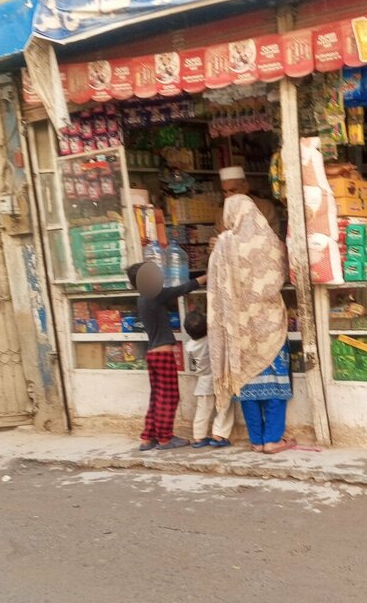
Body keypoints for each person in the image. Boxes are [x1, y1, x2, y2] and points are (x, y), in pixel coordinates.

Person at [208, 194, 294, 454]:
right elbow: (283, 273)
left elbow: (216, 288)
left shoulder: (222, 245)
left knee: (247, 384)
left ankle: (257, 441)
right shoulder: (269, 241)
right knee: (275, 386)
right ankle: (273, 439)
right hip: (268, 324)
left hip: (240, 329)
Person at [126, 261, 205, 451]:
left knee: (156, 397)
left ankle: (148, 437)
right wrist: (206, 277)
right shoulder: (155, 295)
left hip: (152, 354)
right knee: (169, 397)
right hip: (163, 354)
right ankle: (164, 438)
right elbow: (183, 288)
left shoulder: (142, 298)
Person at [183, 309, 234, 449]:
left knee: (202, 410)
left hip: (203, 381)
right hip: (219, 378)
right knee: (224, 407)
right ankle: (218, 435)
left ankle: (198, 437)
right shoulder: (210, 341)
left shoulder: (189, 346)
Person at [213, 166, 281, 239]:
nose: (228, 195)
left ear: (245, 187)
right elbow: (219, 238)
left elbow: (275, 238)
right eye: (225, 192)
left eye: (233, 190)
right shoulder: (221, 212)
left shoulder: (265, 207)